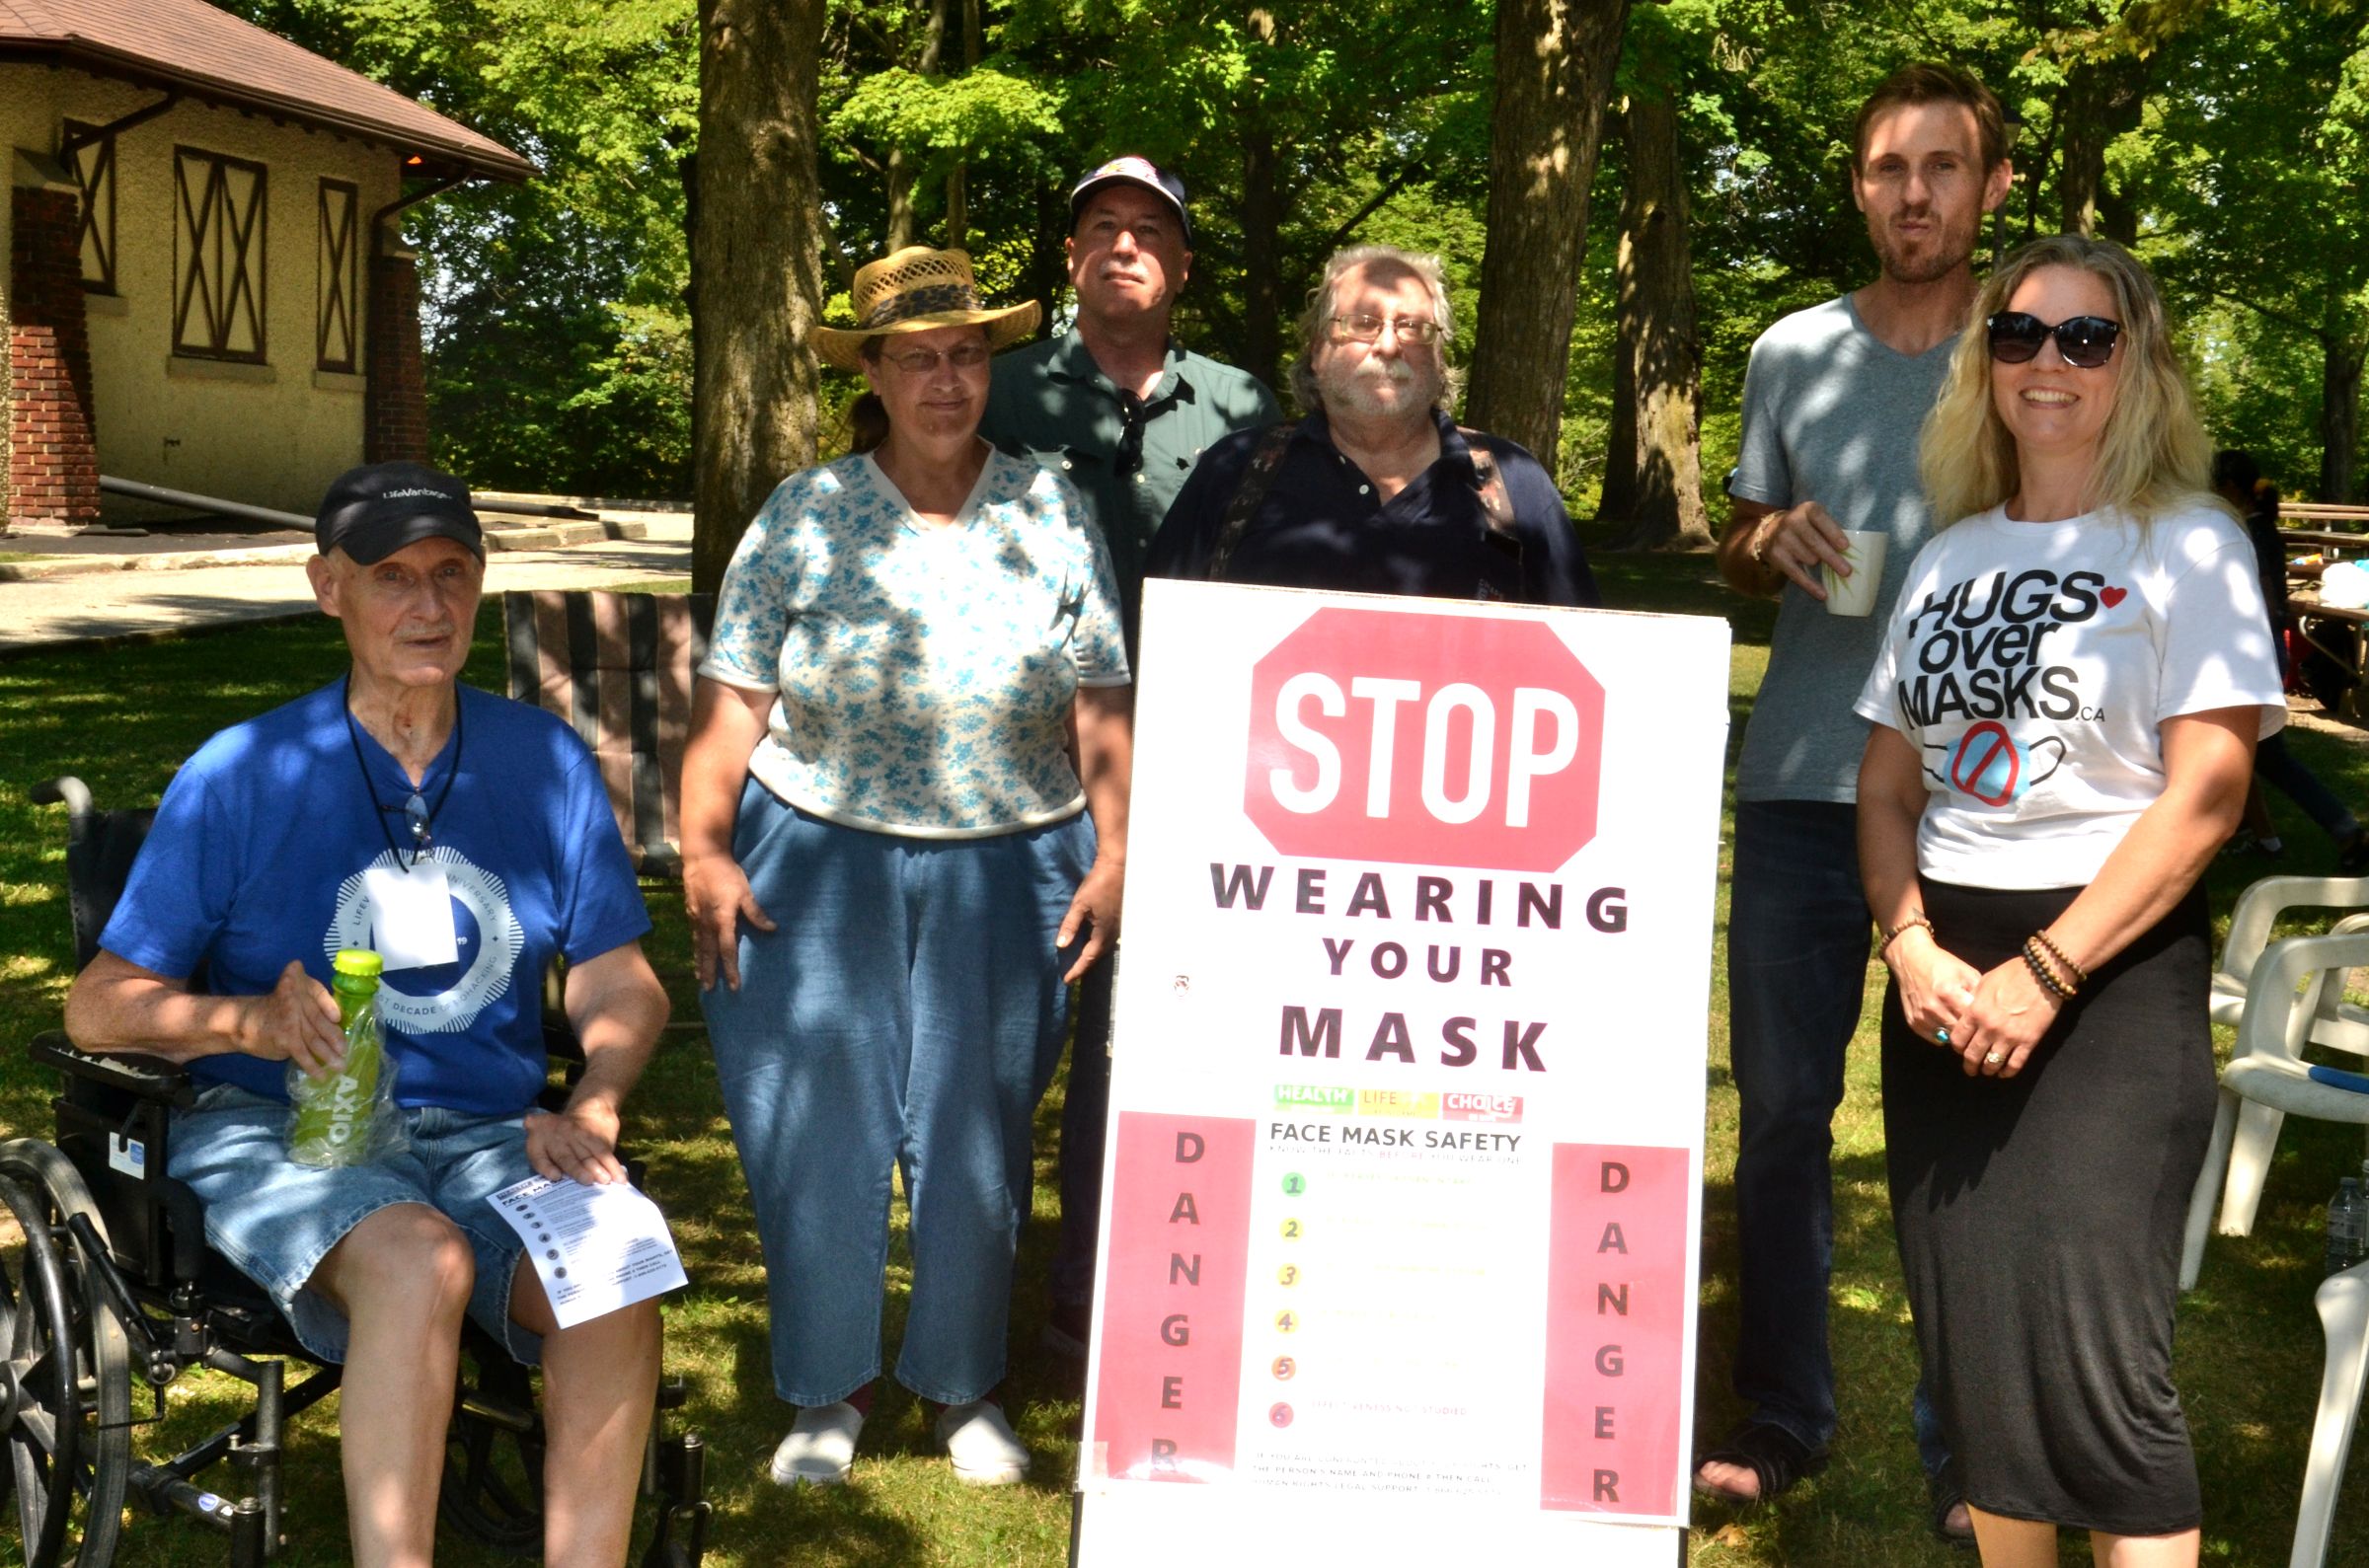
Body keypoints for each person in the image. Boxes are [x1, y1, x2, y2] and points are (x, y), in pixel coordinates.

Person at [62, 461, 667, 1568]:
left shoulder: (545, 763)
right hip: (282, 1123)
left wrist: (597, 1092)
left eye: (451, 573)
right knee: (419, 1257)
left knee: (618, 1259)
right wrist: (244, 1020)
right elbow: (99, 1006)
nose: (427, 607)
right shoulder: (241, 773)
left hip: (492, 1131)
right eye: (391, 577)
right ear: (327, 586)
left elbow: (621, 977)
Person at [1858, 233, 2282, 1565]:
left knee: (2105, 1391)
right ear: (1986, 364)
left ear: (2137, 363)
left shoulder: (2191, 544)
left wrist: (2045, 971)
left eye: (2086, 336)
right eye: (2020, 335)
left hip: (2108, 972)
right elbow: (1882, 792)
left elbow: (2207, 793)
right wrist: (1912, 944)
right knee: (1984, 1388)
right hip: (1939, 978)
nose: (2049, 362)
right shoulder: (1947, 555)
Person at [682, 245, 1133, 1490]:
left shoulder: (1051, 506)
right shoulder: (805, 512)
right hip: (816, 851)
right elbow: (729, 710)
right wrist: (706, 850)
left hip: (1014, 854)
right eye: (918, 358)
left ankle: (960, 1382)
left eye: (967, 355)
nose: (946, 379)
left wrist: (1116, 847)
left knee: (976, 1128)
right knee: (817, 1129)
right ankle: (826, 1389)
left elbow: (1101, 699)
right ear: (873, 373)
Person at [1698, 62, 2013, 1535]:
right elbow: (1736, 547)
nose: (1914, 194)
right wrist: (1771, 539)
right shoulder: (1791, 354)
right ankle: (1782, 1410)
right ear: (1859, 187)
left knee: (1959, 1134)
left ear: (1988, 186)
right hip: (1804, 788)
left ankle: (1972, 1453)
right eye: (1889, 168)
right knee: (1779, 1119)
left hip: (1986, 811)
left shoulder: (2035, 353)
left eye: (1942, 168)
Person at [980, 155, 1278, 1359]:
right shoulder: (996, 391)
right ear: (1069, 258)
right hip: (1016, 765)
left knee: (1145, 1031)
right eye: (1100, 227)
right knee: (1005, 1029)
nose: (1123, 245)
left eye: (1150, 231)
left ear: (1184, 267)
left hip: (1200, 761)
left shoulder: (1242, 405)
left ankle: (1092, 1288)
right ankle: (974, 1285)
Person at [1145, 242, 1598, 608]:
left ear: (1440, 357)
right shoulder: (1236, 474)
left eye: (1412, 327)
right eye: (1363, 323)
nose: (1387, 345)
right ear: (1318, 350)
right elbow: (1155, 639)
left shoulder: (1513, 483)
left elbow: (1585, 653)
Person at [2211, 448, 2369, 867]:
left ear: (2228, 489)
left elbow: (2260, 598)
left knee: (2268, 756)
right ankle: (2261, 833)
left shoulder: (2251, 533)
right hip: (2256, 650)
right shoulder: (2254, 528)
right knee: (2250, 752)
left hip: (2252, 651)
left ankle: (2346, 832)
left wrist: (2244, 654)